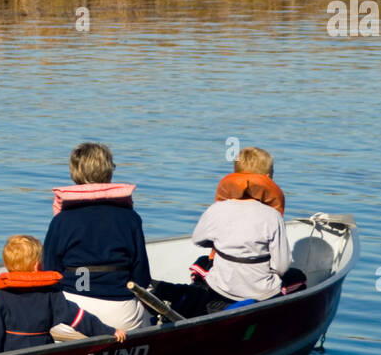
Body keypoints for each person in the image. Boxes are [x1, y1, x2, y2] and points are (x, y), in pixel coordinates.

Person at [176, 147, 306, 315]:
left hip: (221, 287)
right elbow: (281, 266)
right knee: (298, 277)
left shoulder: (217, 209)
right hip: (261, 292)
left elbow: (198, 239)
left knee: (202, 262)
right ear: (267, 178)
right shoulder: (272, 216)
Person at [42, 143, 154, 337]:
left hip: (72, 314)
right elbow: (141, 277)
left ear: (74, 173)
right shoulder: (130, 218)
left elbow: (51, 273)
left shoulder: (61, 220)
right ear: (108, 171)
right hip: (120, 316)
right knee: (150, 319)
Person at [0, 235, 127, 355]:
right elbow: (79, 318)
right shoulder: (50, 293)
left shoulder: (1, 296)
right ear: (37, 266)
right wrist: (110, 332)